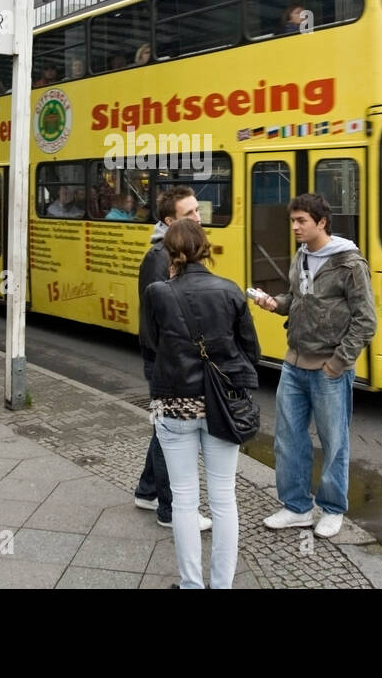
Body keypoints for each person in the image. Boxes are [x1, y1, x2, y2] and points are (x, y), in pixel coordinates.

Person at [251, 192, 375, 539]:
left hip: (328, 369)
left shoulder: (349, 264)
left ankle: (333, 509)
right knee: (288, 440)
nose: (294, 227)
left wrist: (339, 363)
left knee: (334, 442)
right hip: (294, 363)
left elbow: (366, 321)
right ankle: (297, 508)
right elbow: (299, 299)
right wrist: (276, 303)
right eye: (292, 221)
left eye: (301, 221)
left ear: (321, 222)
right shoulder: (302, 256)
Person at [144, 219, 260, 588]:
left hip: (174, 406)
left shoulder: (157, 292)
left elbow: (150, 345)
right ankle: (222, 585)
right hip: (222, 408)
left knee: (183, 502)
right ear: (205, 248)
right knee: (224, 499)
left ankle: (192, 585)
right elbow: (251, 352)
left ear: (171, 252)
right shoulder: (230, 291)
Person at [134, 186, 211, 532]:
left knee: (165, 427)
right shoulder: (158, 257)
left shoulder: (177, 251)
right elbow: (161, 316)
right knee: (171, 431)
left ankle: (147, 491)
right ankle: (169, 509)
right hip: (166, 360)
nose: (198, 218)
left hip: (174, 358)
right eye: (189, 213)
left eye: (198, 210)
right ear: (169, 221)